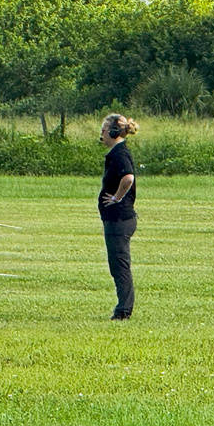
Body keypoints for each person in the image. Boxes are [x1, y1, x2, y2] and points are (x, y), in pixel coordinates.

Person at [98, 113, 138, 320]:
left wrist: (116, 197)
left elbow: (128, 178)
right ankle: (123, 307)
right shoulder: (117, 153)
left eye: (104, 130)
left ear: (113, 132)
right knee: (117, 264)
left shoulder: (120, 154)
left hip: (119, 219)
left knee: (120, 265)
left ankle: (123, 310)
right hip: (116, 219)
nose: (102, 134)